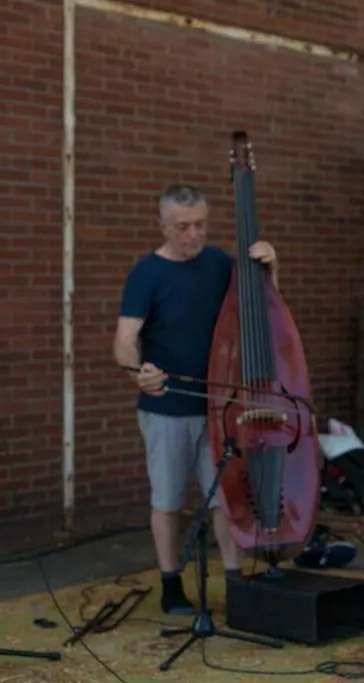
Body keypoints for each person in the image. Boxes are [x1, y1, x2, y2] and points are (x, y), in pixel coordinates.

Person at [112, 184, 281, 615]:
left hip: (221, 406)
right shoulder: (146, 273)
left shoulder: (221, 264)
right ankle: (171, 584)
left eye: (201, 225)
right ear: (162, 226)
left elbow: (265, 308)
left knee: (225, 498)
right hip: (167, 408)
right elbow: (125, 340)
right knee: (168, 500)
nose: (194, 235)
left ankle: (235, 581)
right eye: (183, 226)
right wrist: (138, 372)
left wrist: (270, 267)